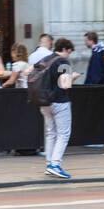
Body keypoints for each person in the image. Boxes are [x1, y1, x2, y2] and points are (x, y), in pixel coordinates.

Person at [40, 38, 79, 179]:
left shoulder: (46, 60)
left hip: (44, 101)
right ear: (65, 49)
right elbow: (65, 85)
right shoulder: (63, 62)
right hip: (59, 101)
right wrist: (73, 77)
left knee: (51, 133)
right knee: (63, 134)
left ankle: (49, 163)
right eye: (69, 52)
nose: (69, 55)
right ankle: (55, 165)